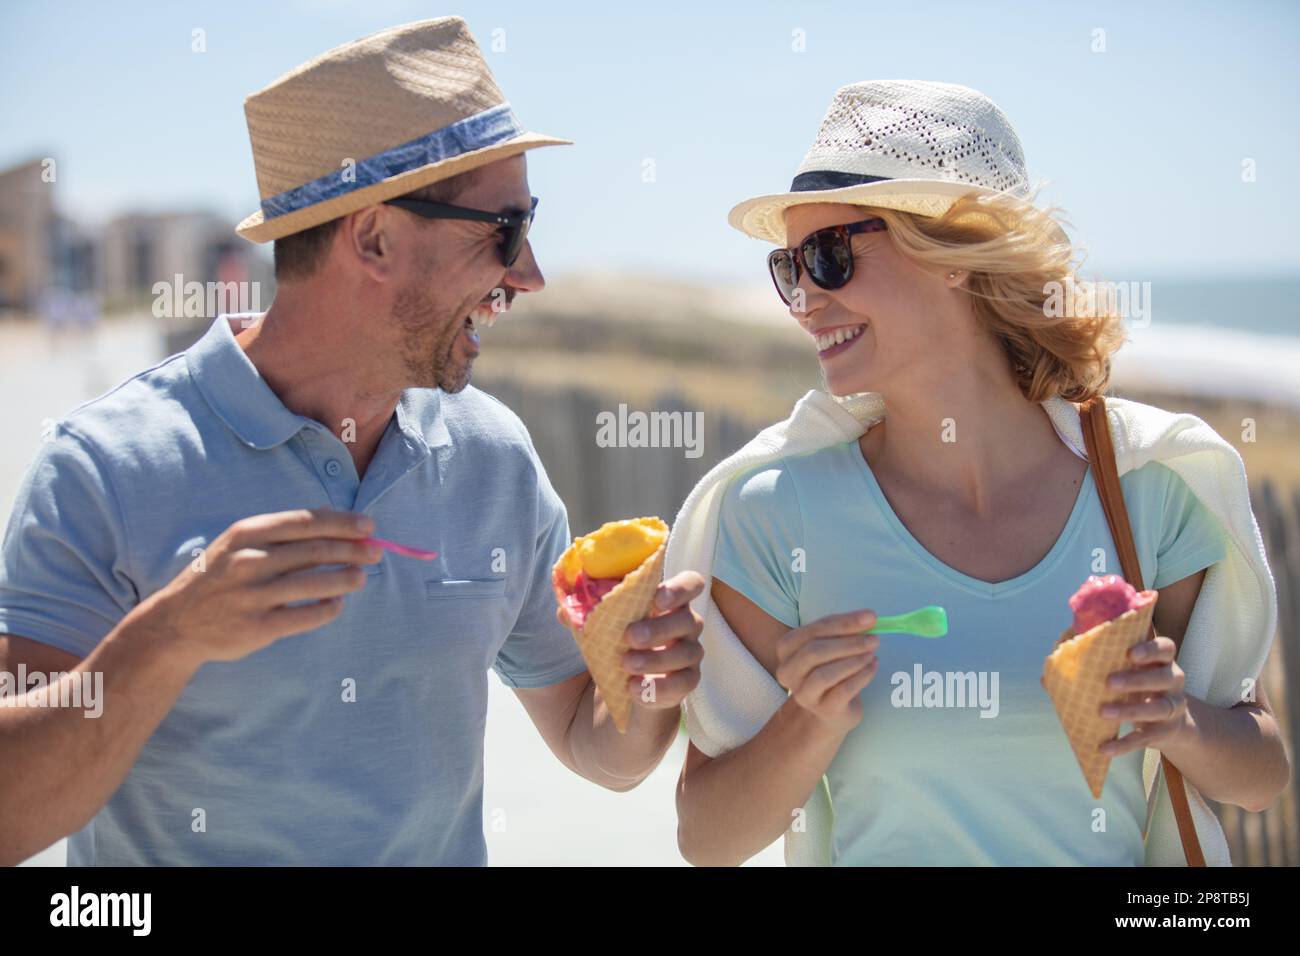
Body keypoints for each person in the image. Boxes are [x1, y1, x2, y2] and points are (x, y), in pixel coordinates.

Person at [0, 17, 704, 866]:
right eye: (505, 230)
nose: (530, 274)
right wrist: (170, 638)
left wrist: (648, 686)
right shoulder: (105, 464)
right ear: (372, 236)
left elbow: (593, 745)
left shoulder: (495, 457)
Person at [669, 80, 1287, 866]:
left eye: (829, 257)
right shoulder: (772, 514)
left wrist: (1178, 720)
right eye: (789, 268)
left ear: (953, 254)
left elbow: (1262, 776)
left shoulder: (1146, 491)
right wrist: (807, 722)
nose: (805, 301)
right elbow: (707, 841)